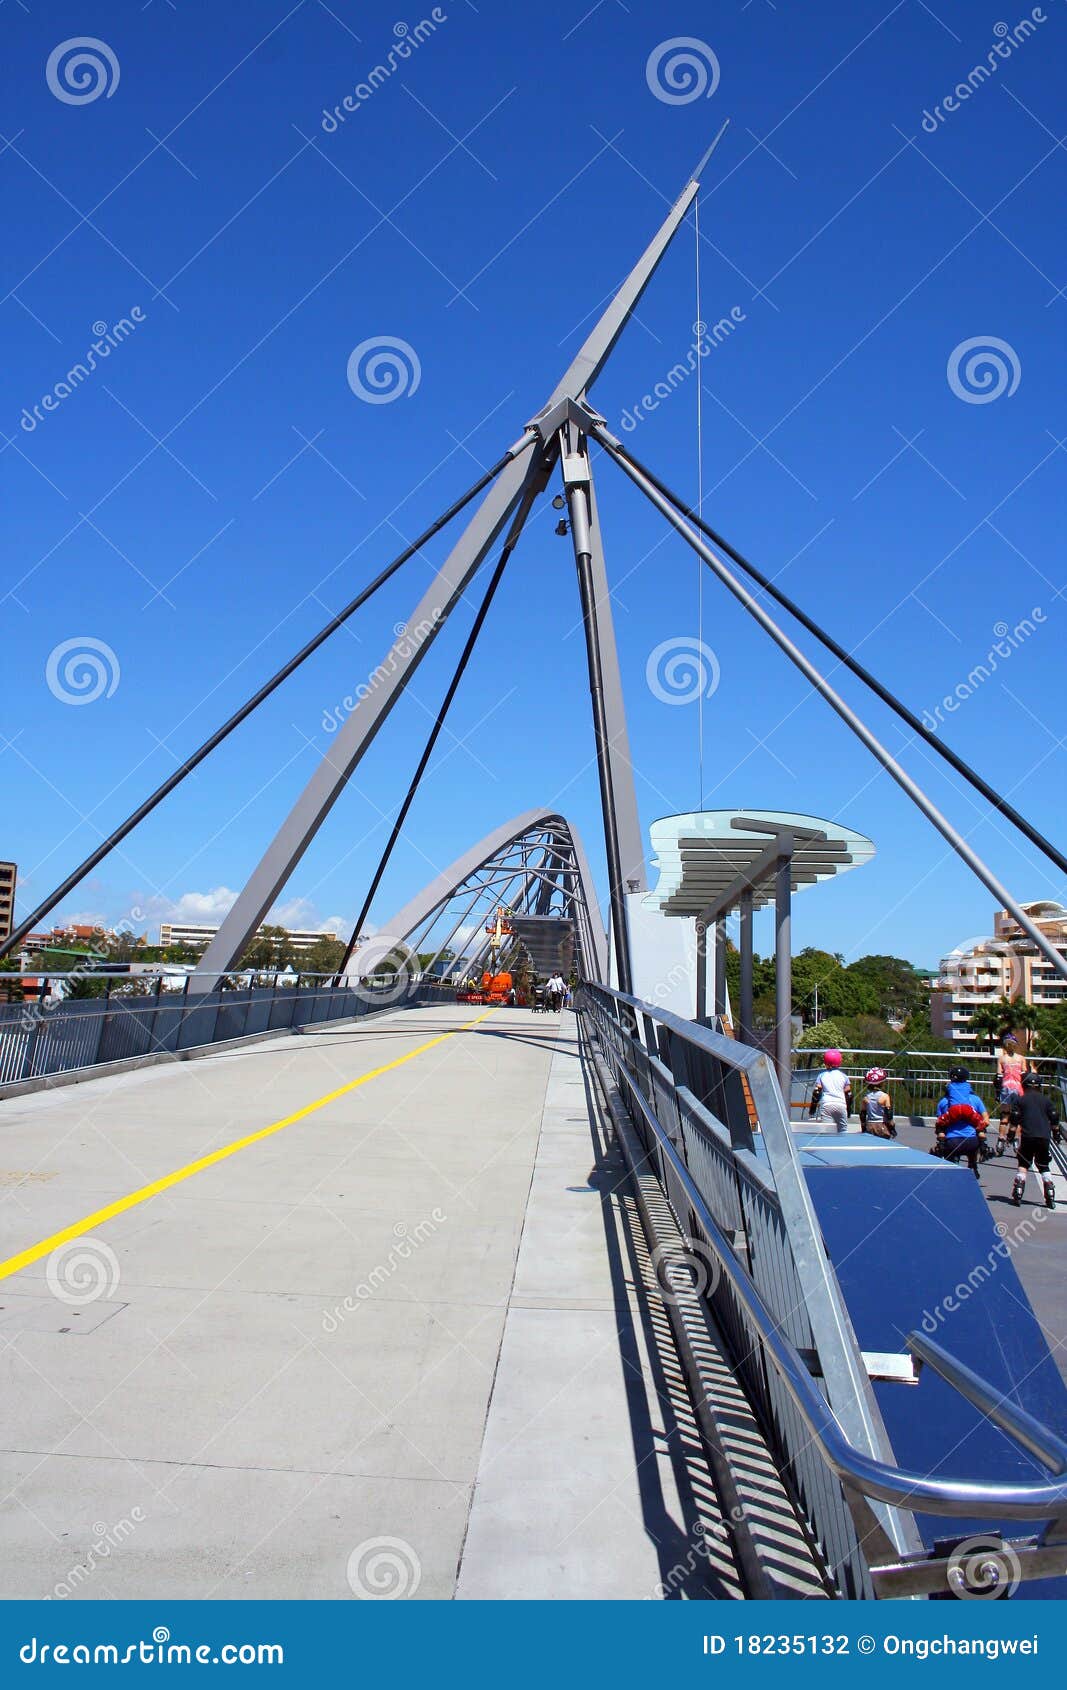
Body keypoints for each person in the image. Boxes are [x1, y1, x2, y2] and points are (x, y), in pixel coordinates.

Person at [1008, 1071, 1059, 1209]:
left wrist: (1010, 1135)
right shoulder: (1046, 1100)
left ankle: (1018, 1190)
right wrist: (1056, 1132)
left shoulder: (1020, 1100)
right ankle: (1049, 1191)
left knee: (1023, 1163)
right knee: (1043, 1164)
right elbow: (1054, 1116)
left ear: (1023, 1084)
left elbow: (1015, 1118)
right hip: (1044, 1137)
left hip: (1028, 1136)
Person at [934, 1066, 989, 1180]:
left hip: (952, 1142)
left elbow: (939, 1121)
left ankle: (950, 1159)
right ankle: (973, 1163)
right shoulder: (975, 1099)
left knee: (940, 1127)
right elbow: (986, 1120)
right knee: (979, 1129)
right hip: (972, 1142)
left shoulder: (944, 1102)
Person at [995, 1035, 1030, 1155]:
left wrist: (997, 1093)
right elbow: (1025, 1075)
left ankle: (1001, 1139)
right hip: (1018, 1088)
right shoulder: (1021, 1058)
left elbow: (998, 1077)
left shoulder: (1001, 1059)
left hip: (1006, 1087)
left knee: (1005, 1116)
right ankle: (1016, 1140)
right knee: (1018, 1116)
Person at [808, 1049, 852, 1134]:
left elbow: (817, 1092)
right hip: (841, 1105)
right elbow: (848, 1094)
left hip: (827, 1104)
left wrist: (812, 1109)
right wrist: (849, 1111)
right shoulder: (844, 1076)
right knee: (843, 1130)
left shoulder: (822, 1075)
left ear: (826, 1063)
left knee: (827, 1131)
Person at [859, 1067, 896, 1138]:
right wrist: (892, 1128)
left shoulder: (866, 1098)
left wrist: (863, 1127)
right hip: (881, 1125)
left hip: (869, 1125)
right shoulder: (885, 1096)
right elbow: (888, 1114)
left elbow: (862, 1114)